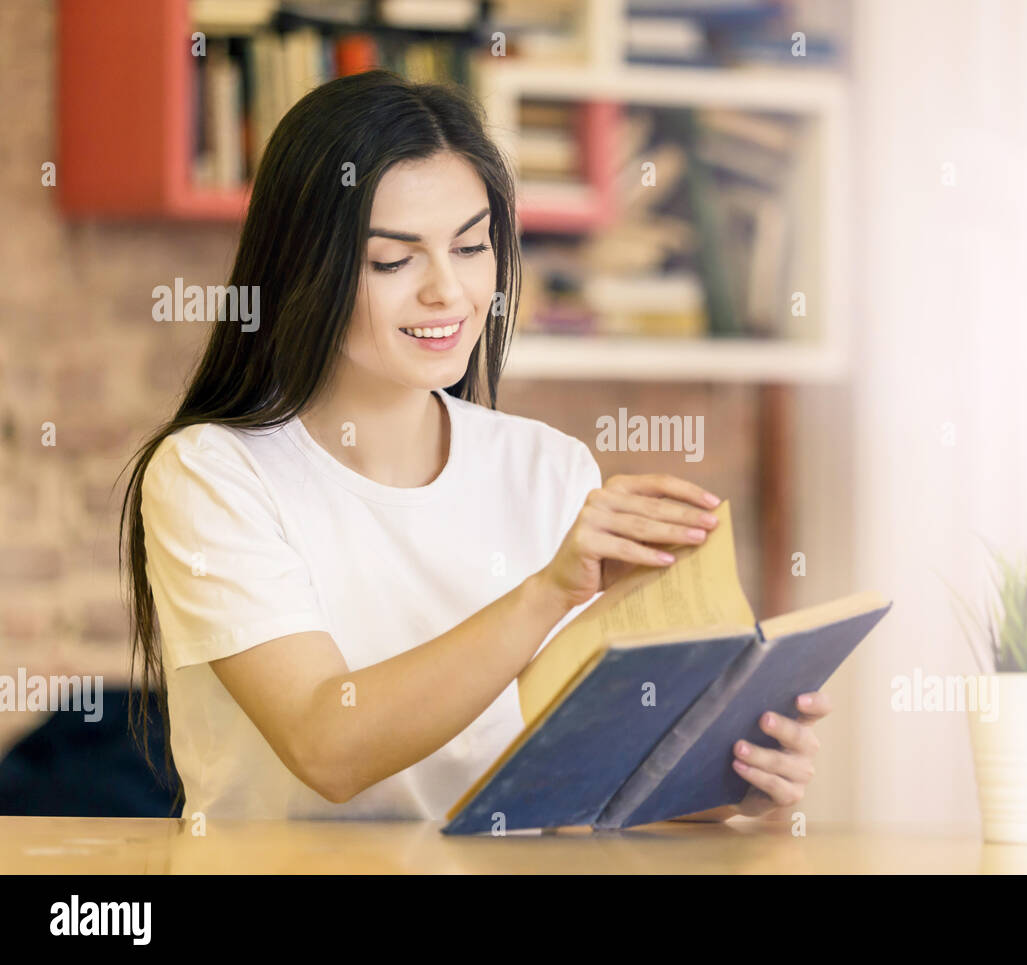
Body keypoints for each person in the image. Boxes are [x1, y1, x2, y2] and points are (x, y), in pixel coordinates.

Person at [117, 70, 830, 824]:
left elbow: (584, 770)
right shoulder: (212, 474)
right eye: (394, 260)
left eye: (470, 247)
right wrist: (548, 591)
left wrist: (733, 784)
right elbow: (329, 747)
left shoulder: (549, 470)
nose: (448, 292)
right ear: (303, 267)